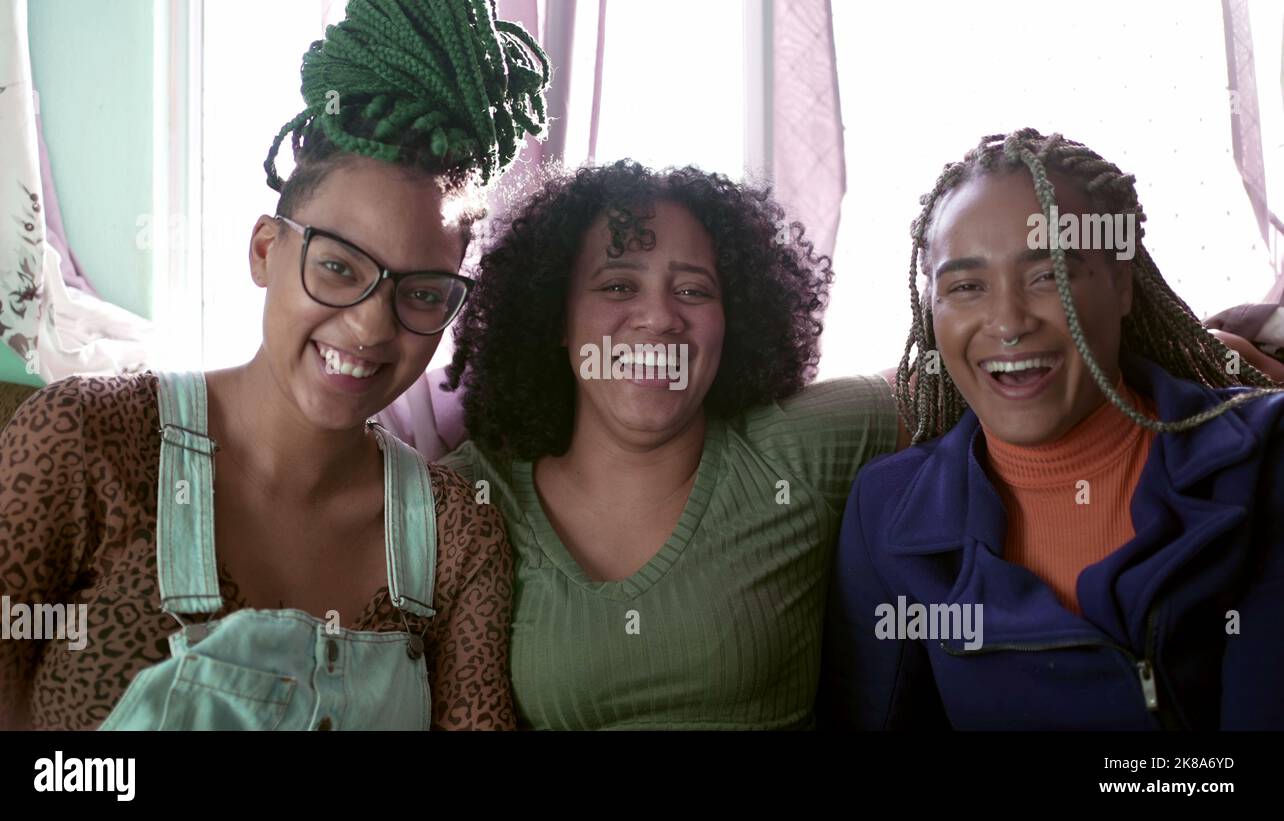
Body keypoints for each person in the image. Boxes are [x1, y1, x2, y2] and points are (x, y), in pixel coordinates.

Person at [0, 0, 550, 731]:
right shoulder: (80, 443)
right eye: (340, 267)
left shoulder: (459, 538)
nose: (372, 325)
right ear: (264, 249)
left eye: (422, 293)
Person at [820, 128, 1284, 730]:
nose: (1008, 322)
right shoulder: (886, 512)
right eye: (965, 287)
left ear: (1121, 284)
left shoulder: (1261, 457)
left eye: (1048, 276)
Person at [440, 160, 905, 729]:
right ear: (557, 318)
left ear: (732, 321)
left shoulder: (796, 450)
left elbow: (968, 369)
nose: (660, 317)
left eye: (692, 289)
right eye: (617, 285)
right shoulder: (473, 496)